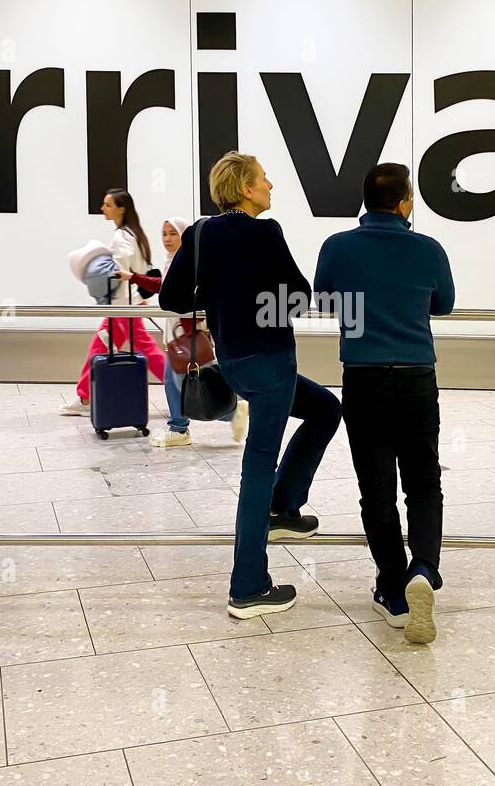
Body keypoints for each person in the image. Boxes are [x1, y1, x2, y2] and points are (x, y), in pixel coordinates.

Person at [159, 151, 341, 619]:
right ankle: (248, 586)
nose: (270, 186)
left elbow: (171, 297)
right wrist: (264, 304)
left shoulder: (199, 233)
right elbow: (299, 297)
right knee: (258, 464)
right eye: (263, 180)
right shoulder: (266, 232)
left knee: (324, 409)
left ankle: (284, 508)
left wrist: (221, 298)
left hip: (234, 363)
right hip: (271, 361)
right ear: (245, 189)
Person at [314, 163, 455, 645]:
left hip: (363, 378)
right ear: (404, 202)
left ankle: (393, 589)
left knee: (376, 488)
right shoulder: (428, 249)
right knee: (424, 481)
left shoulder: (336, 247)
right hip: (417, 377)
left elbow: (327, 302)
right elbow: (444, 305)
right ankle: (424, 570)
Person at [62, 188, 167, 417]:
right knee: (105, 347)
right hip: (128, 304)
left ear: (121, 208)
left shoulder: (122, 237)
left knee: (139, 349)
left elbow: (118, 272)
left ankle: (179, 389)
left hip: (122, 307)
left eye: (108, 204)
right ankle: (85, 396)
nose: (103, 208)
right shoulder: (133, 234)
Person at [148, 216, 248, 448]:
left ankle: (187, 426)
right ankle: (181, 427)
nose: (167, 239)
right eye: (164, 233)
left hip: (185, 336)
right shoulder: (171, 261)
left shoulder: (188, 264)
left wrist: (190, 333)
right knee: (175, 383)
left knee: (192, 387)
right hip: (175, 336)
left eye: (173, 233)